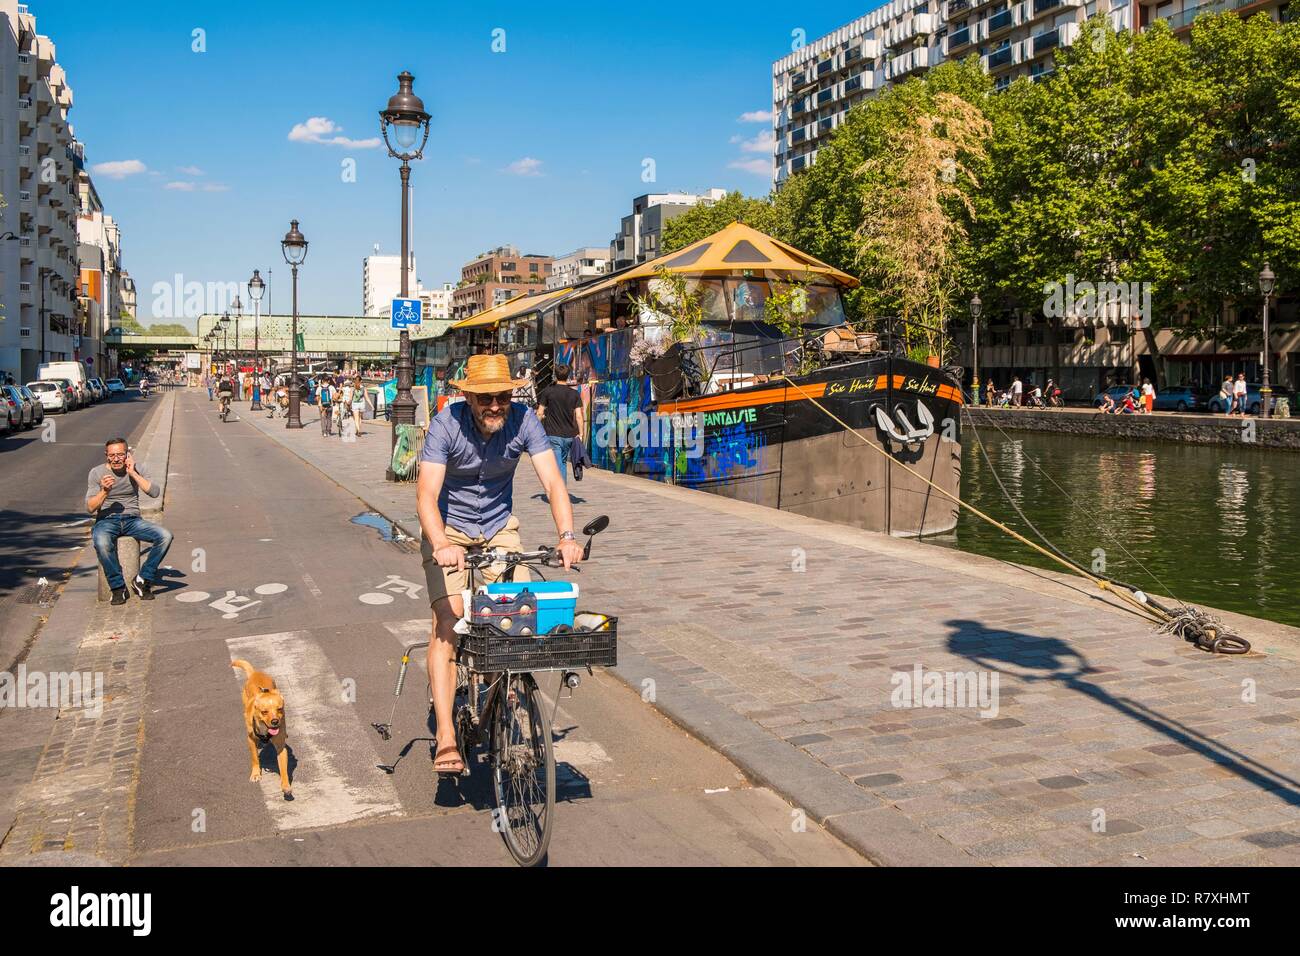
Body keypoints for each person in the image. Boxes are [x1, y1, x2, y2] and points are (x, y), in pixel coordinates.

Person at [416, 354, 581, 775]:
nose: (495, 405)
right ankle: (447, 737)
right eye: (486, 397)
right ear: (469, 396)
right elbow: (426, 496)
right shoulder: (446, 425)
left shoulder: (524, 421)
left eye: (502, 396)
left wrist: (566, 537)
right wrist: (439, 543)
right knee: (449, 622)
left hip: (497, 528)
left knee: (520, 613)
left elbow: (552, 481)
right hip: (448, 531)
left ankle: (502, 687)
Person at [86, 438, 173, 605]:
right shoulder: (96, 473)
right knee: (102, 543)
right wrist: (104, 491)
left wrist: (133, 473)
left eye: (120, 454)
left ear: (128, 454)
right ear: (106, 456)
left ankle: (142, 579)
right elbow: (90, 507)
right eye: (112, 455)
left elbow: (154, 492)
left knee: (165, 536)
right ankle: (118, 587)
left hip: (132, 520)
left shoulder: (138, 468)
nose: (116, 459)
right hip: (106, 520)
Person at [535, 363, 585, 485]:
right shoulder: (574, 394)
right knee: (562, 462)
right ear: (568, 376)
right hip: (569, 435)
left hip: (553, 434)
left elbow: (540, 413)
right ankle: (559, 489)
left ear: (555, 376)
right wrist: (581, 433)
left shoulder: (548, 392)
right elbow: (579, 416)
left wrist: (535, 431)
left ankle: (560, 492)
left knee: (558, 465)